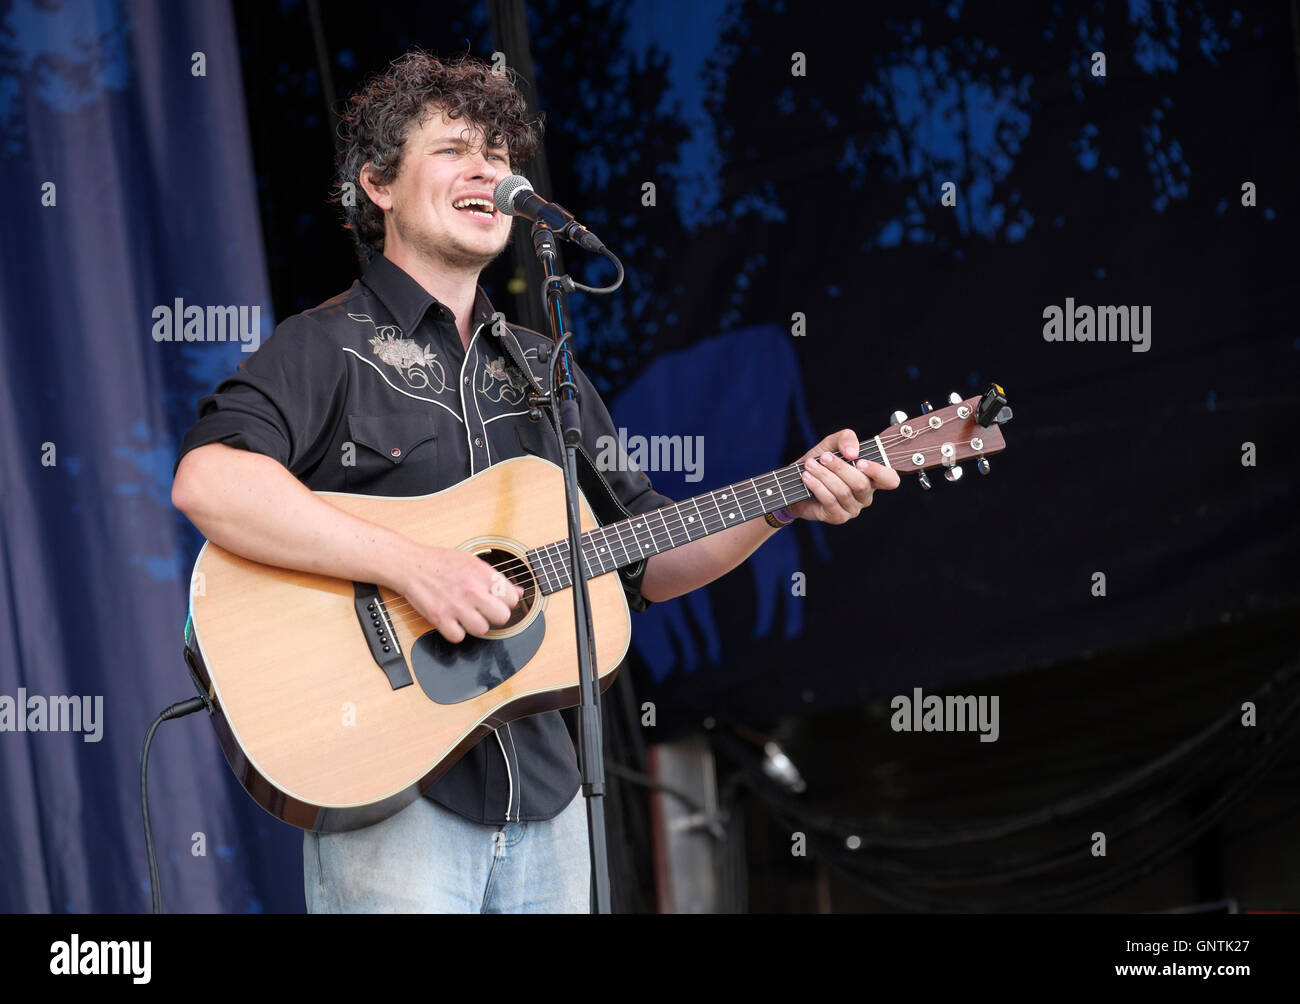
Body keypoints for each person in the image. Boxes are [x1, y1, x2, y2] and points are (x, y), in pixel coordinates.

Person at [170, 50, 900, 914]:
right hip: (392, 792)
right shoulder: (326, 345)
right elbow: (209, 482)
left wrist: (783, 501)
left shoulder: (545, 368)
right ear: (377, 184)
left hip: (549, 797)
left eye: (500, 154)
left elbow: (650, 556)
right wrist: (416, 568)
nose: (488, 169)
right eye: (452, 150)